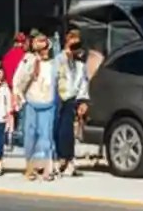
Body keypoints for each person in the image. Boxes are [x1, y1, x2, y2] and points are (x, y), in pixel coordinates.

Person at [12, 30, 69, 181]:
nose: (45, 50)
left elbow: (62, 80)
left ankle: (46, 169)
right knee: (30, 136)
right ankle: (30, 168)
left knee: (46, 137)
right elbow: (18, 78)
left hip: (48, 103)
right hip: (31, 102)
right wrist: (17, 94)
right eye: (41, 47)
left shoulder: (54, 63)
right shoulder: (29, 60)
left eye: (46, 47)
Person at [55, 29, 90, 176]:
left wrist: (83, 101)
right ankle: (60, 158)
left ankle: (69, 159)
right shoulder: (59, 59)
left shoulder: (80, 66)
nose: (74, 49)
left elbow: (83, 84)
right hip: (57, 98)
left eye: (77, 45)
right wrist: (66, 55)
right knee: (56, 130)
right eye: (72, 45)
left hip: (71, 99)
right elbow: (54, 75)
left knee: (68, 131)